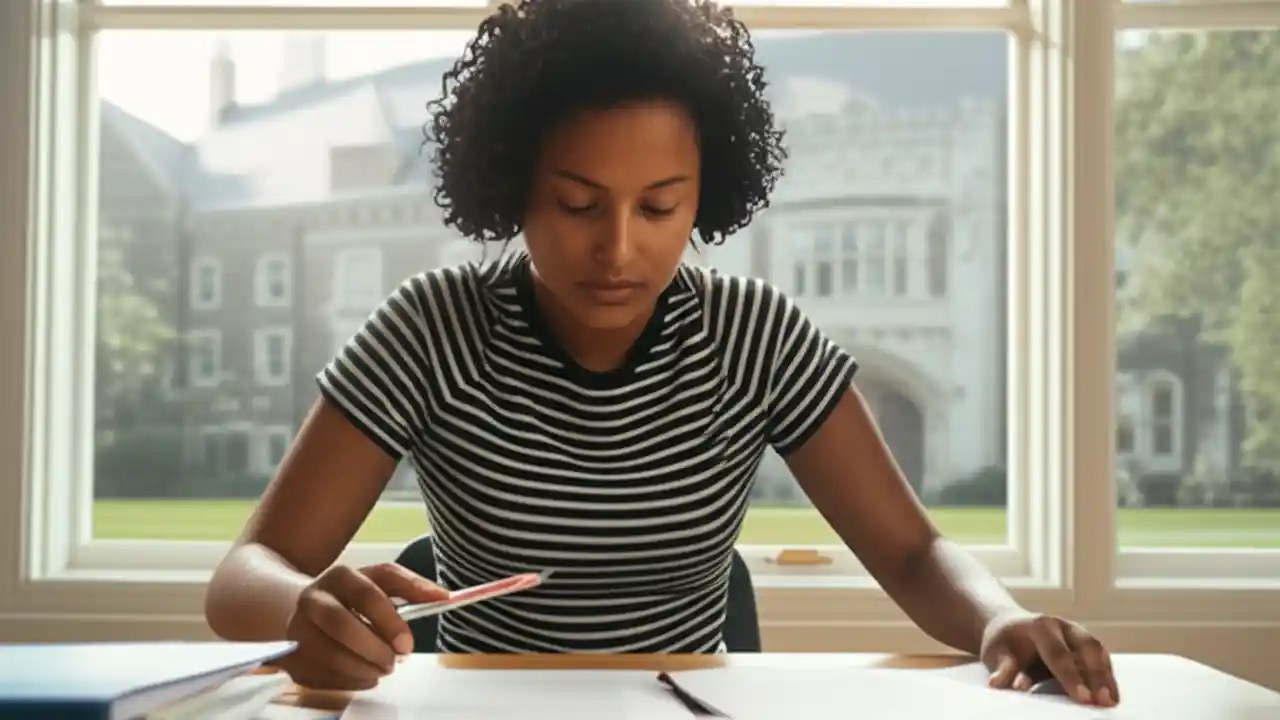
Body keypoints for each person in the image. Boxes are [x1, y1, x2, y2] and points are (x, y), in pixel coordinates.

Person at [204, 0, 1120, 707]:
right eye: (576, 203)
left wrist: (999, 618)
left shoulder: (752, 333)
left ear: (705, 196)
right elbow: (246, 573)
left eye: (659, 206)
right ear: (512, 185)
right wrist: (303, 609)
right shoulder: (433, 327)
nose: (618, 249)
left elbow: (914, 552)